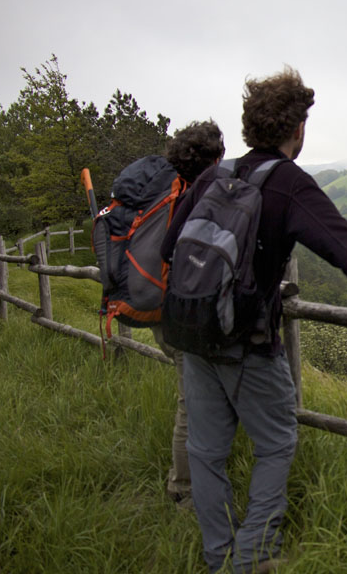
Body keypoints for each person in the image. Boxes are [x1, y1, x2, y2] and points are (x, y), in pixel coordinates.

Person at [160, 66, 347, 574]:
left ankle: (219, 558)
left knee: (206, 451)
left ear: (248, 125)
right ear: (297, 129)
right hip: (247, 345)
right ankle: (253, 557)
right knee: (277, 443)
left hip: (194, 336)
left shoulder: (217, 175)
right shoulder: (289, 185)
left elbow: (173, 245)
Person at [151, 120, 225, 509]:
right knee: (191, 405)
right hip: (183, 315)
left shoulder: (169, 191)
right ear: (217, 156)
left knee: (196, 401)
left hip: (160, 312)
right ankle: (183, 491)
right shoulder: (203, 195)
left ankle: (203, 482)